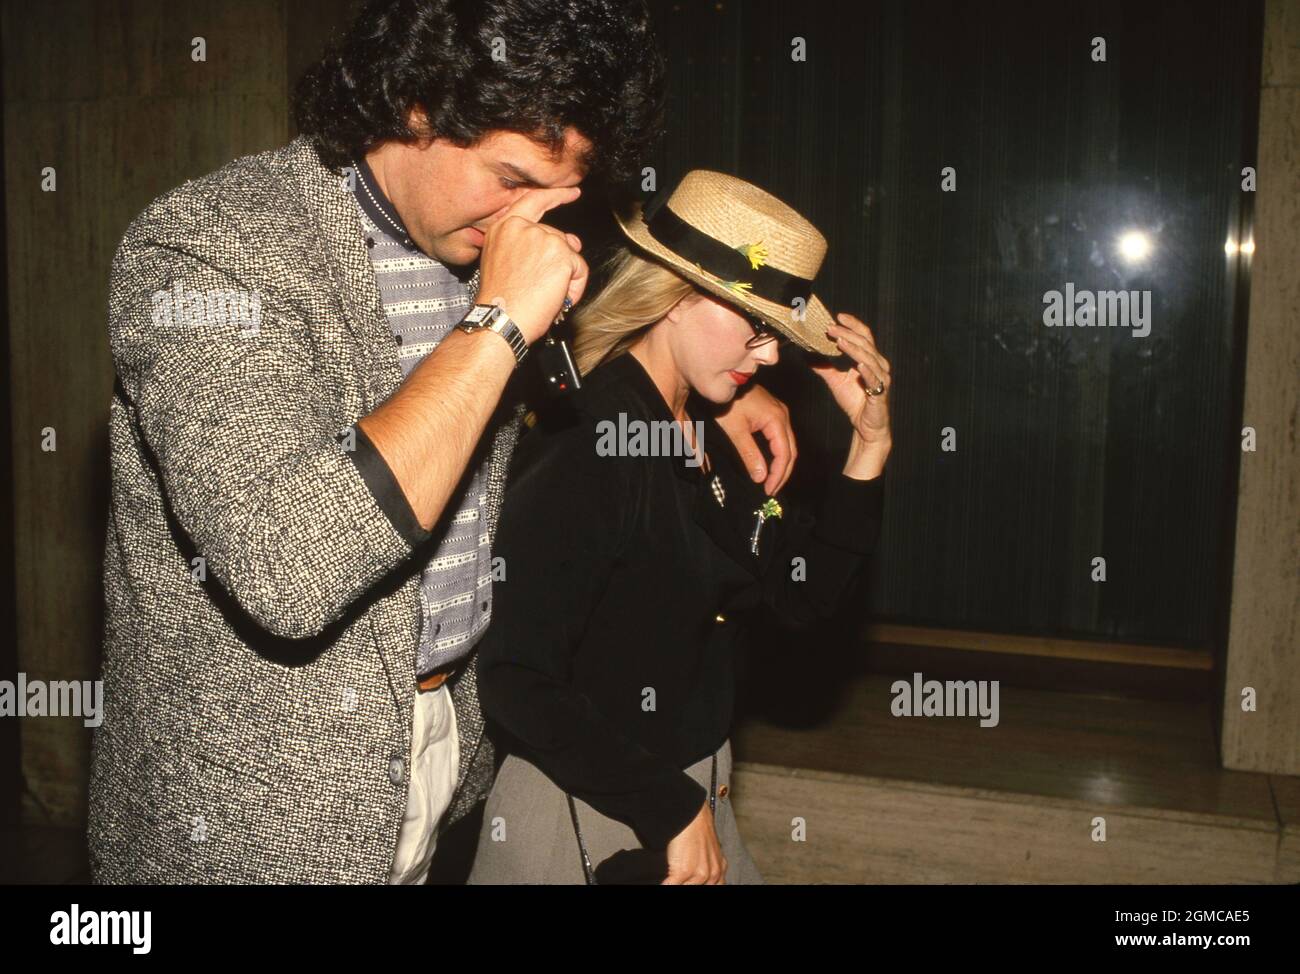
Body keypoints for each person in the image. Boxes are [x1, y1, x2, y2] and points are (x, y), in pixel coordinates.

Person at [88, 0, 799, 885]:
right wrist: (498, 322)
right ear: (417, 106)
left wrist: (721, 397)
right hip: (255, 810)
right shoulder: (215, 249)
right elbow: (288, 567)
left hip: (440, 760)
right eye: (511, 178)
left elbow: (576, 408)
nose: (531, 224)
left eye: (560, 195)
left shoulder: (469, 246)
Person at [468, 169, 893, 884]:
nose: (769, 356)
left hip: (693, 792)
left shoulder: (702, 425)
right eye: (756, 329)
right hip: (583, 815)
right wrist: (667, 806)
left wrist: (869, 447)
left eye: (778, 335)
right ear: (675, 297)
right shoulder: (596, 439)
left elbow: (801, 597)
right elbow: (514, 674)